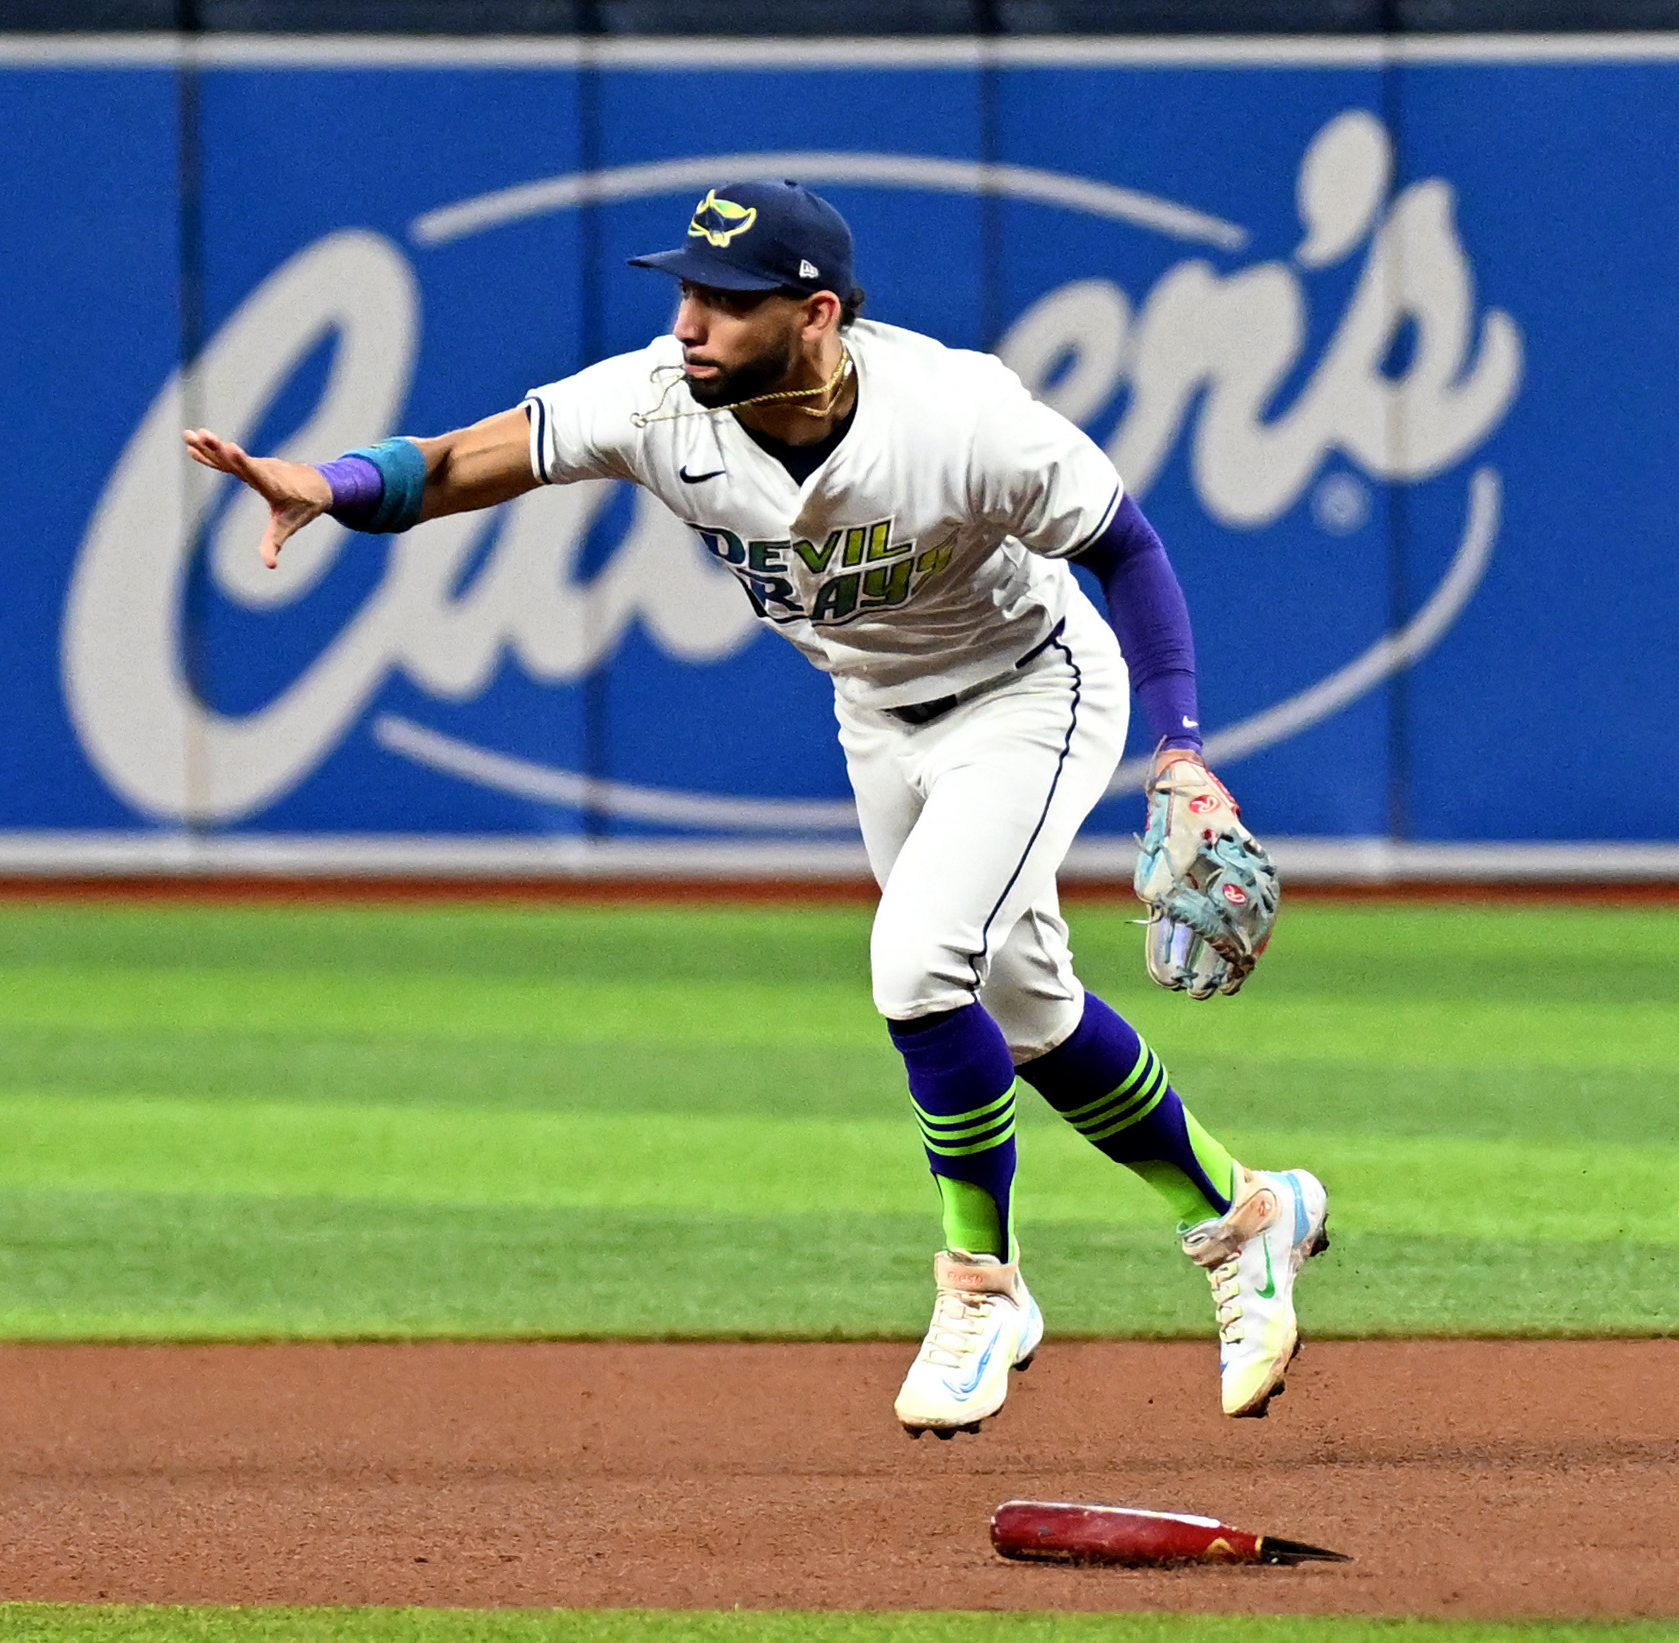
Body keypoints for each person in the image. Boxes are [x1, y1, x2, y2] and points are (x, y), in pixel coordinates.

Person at [183, 180, 1327, 1433]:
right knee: (1026, 1007)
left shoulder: (962, 417)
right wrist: (333, 486)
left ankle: (980, 1283)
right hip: (874, 715)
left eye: (725, 302)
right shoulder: (656, 402)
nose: (689, 324)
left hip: (1029, 694)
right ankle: (1244, 1213)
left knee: (916, 967)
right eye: (684, 292)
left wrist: (1180, 753)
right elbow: (463, 459)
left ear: (814, 314)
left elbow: (1127, 548)